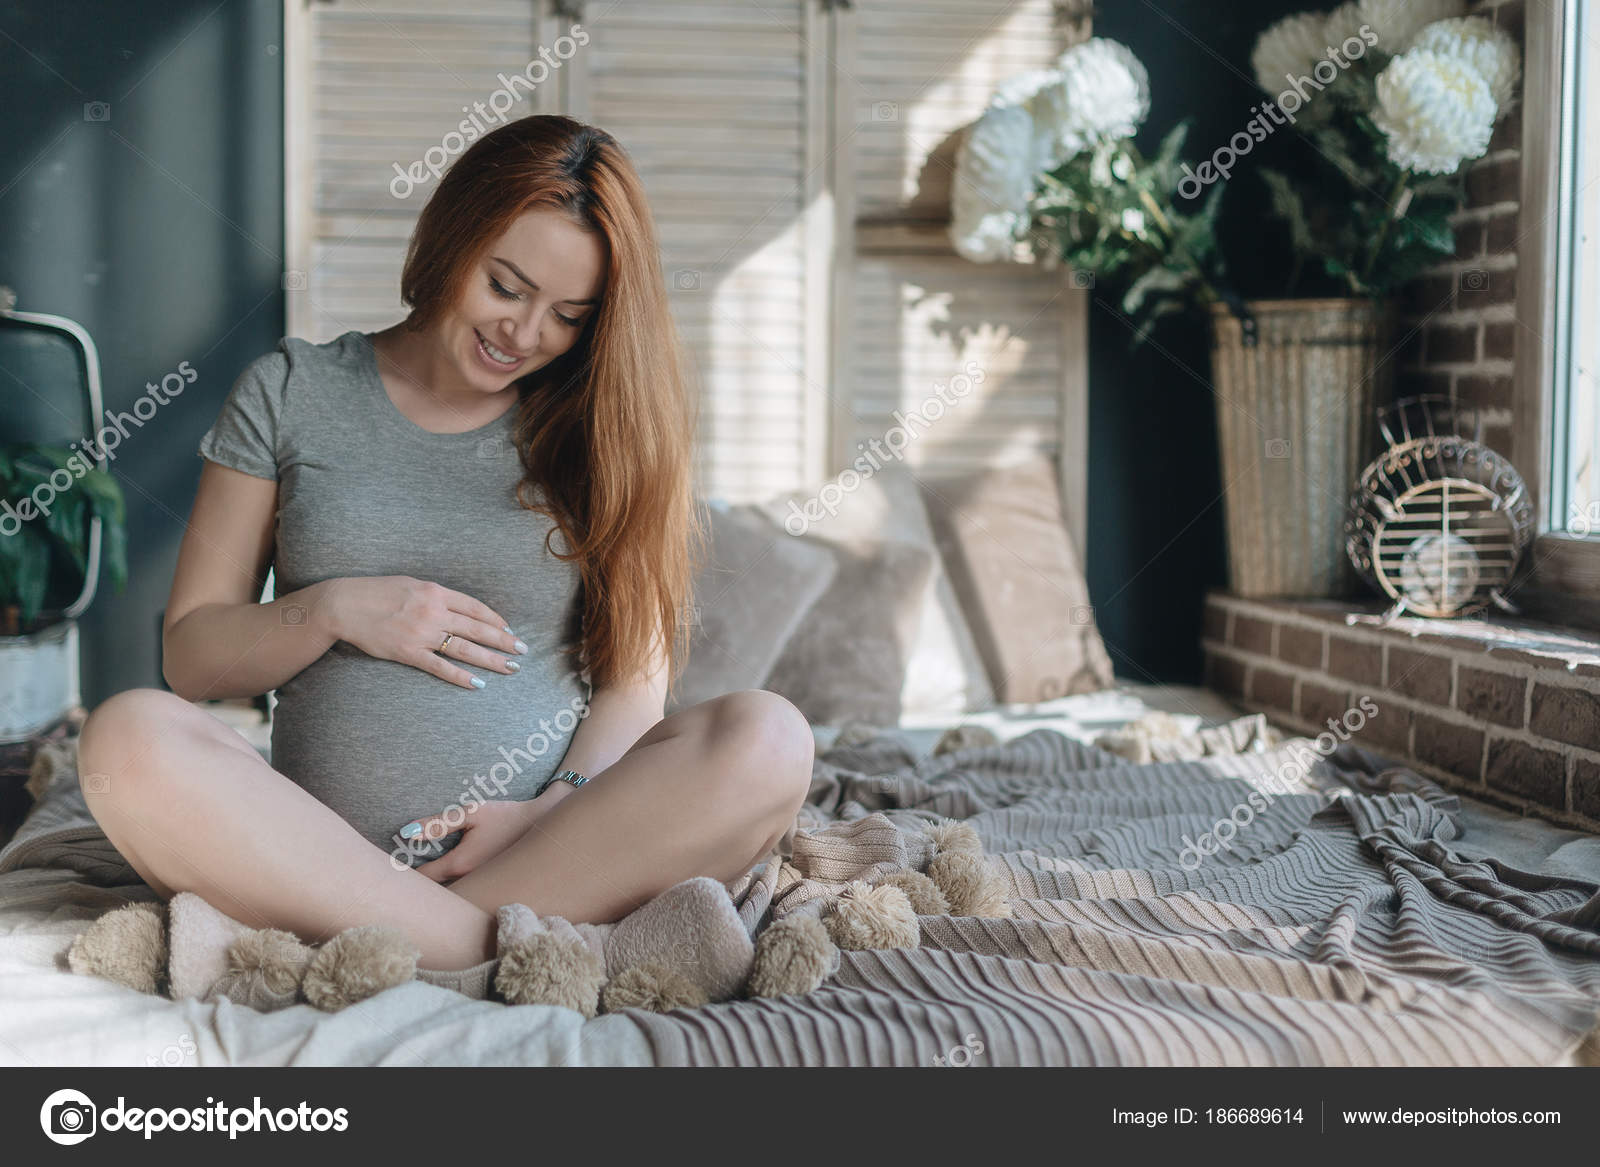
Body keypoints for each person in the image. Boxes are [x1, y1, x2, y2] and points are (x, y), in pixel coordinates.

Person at [77, 115, 814, 973]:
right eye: (506, 285)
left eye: (569, 315)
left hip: (548, 854)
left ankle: (401, 948)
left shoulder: (604, 428)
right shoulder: (291, 391)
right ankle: (479, 950)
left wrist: (550, 811)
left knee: (772, 738)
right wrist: (330, 609)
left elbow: (631, 688)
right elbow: (194, 658)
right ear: (453, 237)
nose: (524, 333)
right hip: (317, 860)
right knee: (126, 736)